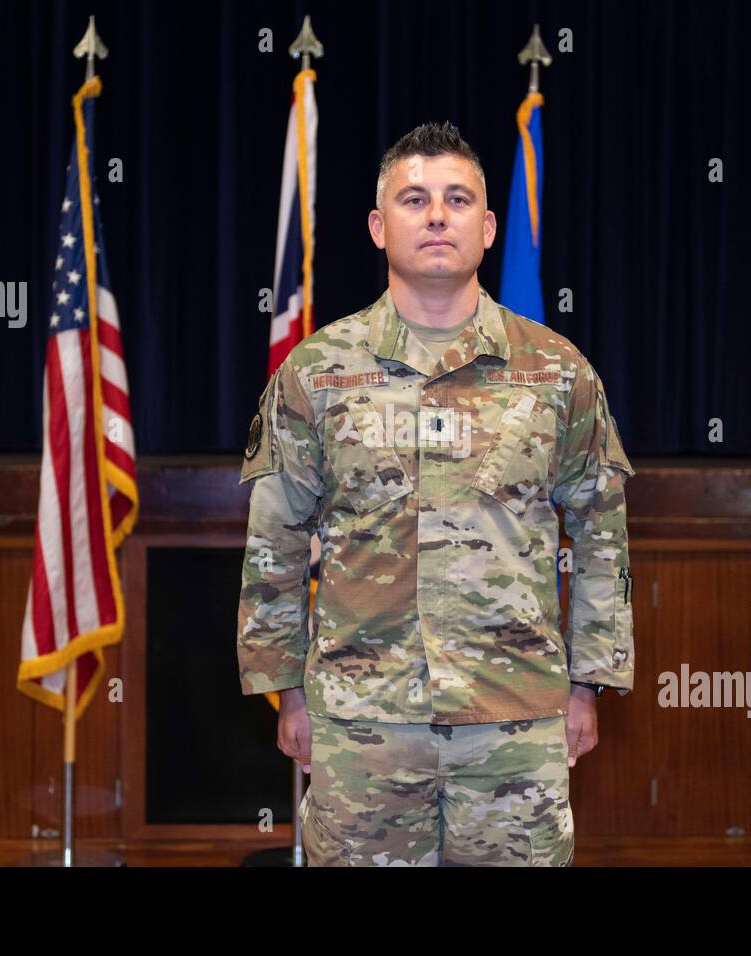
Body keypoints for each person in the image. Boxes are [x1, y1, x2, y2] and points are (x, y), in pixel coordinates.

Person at [236, 121, 634, 866]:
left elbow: (602, 536)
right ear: (379, 227)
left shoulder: (556, 371)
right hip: (364, 727)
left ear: (488, 227)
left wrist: (590, 684)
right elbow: (275, 543)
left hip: (514, 722)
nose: (437, 215)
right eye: (415, 199)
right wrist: (285, 690)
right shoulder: (317, 373)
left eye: (457, 199)